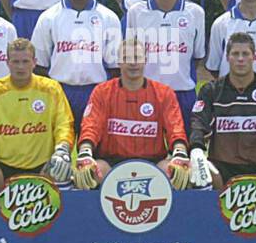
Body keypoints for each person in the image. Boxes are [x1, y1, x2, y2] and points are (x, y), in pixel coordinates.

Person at [73, 38, 191, 190]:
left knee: (176, 173)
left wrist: (179, 151)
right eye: (127, 58)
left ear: (145, 60)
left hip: (153, 161)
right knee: (89, 173)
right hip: (111, 161)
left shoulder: (164, 93)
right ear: (119, 62)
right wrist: (85, 151)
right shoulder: (102, 92)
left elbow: (175, 127)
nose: (132, 63)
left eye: (137, 57)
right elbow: (91, 125)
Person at [187, 33, 256, 191]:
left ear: (254, 57)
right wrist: (196, 150)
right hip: (223, 166)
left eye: (245, 54)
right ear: (227, 57)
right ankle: (207, 216)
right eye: (235, 54)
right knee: (199, 176)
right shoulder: (211, 90)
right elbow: (198, 123)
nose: (240, 59)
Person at [0, 39, 75, 189]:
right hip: (2, 166)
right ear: (7, 62)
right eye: (16, 62)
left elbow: (64, 124)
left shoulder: (51, 88)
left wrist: (62, 149)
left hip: (42, 166)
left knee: (60, 169)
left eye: (25, 61)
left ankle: (65, 213)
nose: (20, 67)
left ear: (34, 62)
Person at [31, 0, 122, 130]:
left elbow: (115, 67)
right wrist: (53, 90)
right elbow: (39, 64)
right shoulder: (49, 17)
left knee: (93, 149)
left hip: (95, 91)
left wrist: (106, 94)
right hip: (60, 90)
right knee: (58, 149)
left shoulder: (108, 17)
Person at [124, 0, 206, 134]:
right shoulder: (136, 12)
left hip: (183, 93)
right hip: (146, 93)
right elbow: (130, 55)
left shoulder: (195, 13)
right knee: (145, 153)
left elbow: (197, 56)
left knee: (183, 151)